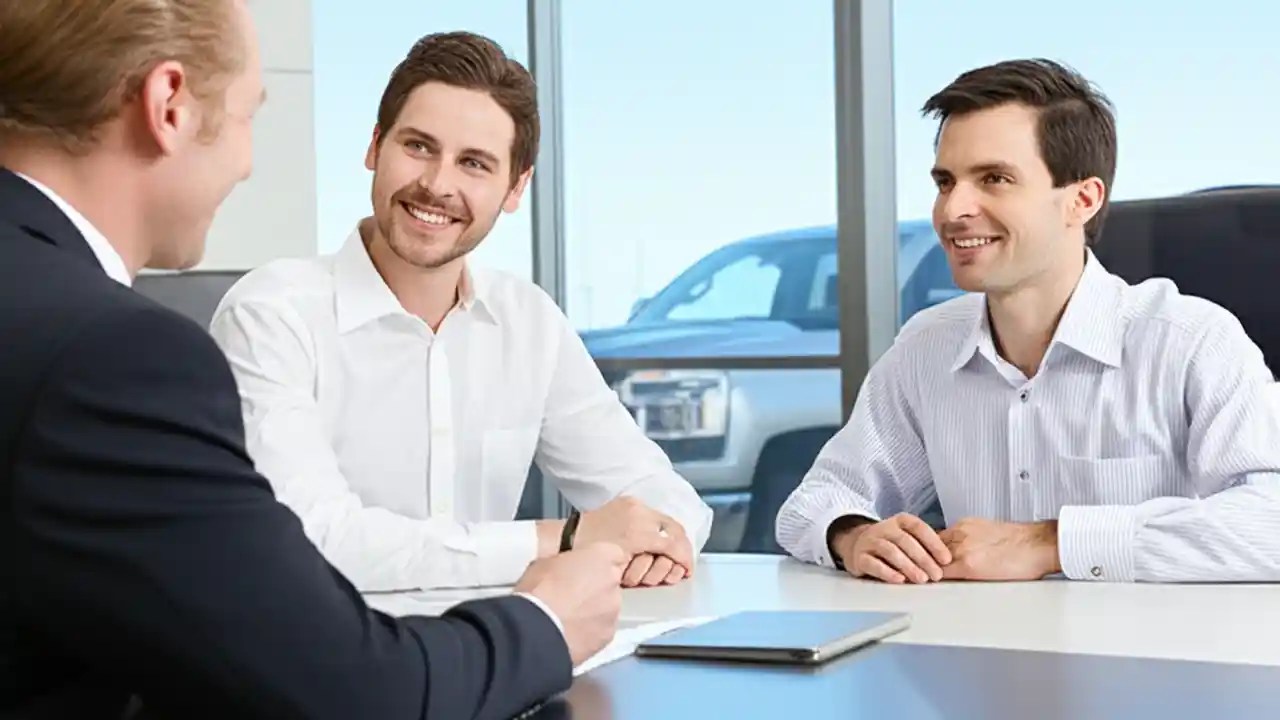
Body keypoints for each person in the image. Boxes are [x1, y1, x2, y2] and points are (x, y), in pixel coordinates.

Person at [0, 3, 628, 718]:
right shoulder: (117, 356)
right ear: (168, 105)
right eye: (247, 118)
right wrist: (544, 620)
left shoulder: (45, 308)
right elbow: (353, 691)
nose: (247, 161)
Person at [208, 31, 713, 593]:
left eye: (474, 163)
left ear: (515, 188)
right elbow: (312, 538)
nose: (436, 184)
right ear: (375, 146)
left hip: (502, 660)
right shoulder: (271, 315)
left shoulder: (528, 322)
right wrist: (565, 540)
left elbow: (666, 502)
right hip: (319, 666)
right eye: (418, 146)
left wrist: (656, 545)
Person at [776, 58, 1280, 585]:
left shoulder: (1189, 341)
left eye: (994, 179)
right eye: (946, 182)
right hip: (973, 657)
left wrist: (1050, 542)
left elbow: (1270, 523)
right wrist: (854, 535)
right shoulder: (927, 346)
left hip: (1148, 658)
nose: (953, 210)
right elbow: (815, 502)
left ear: (1082, 200)